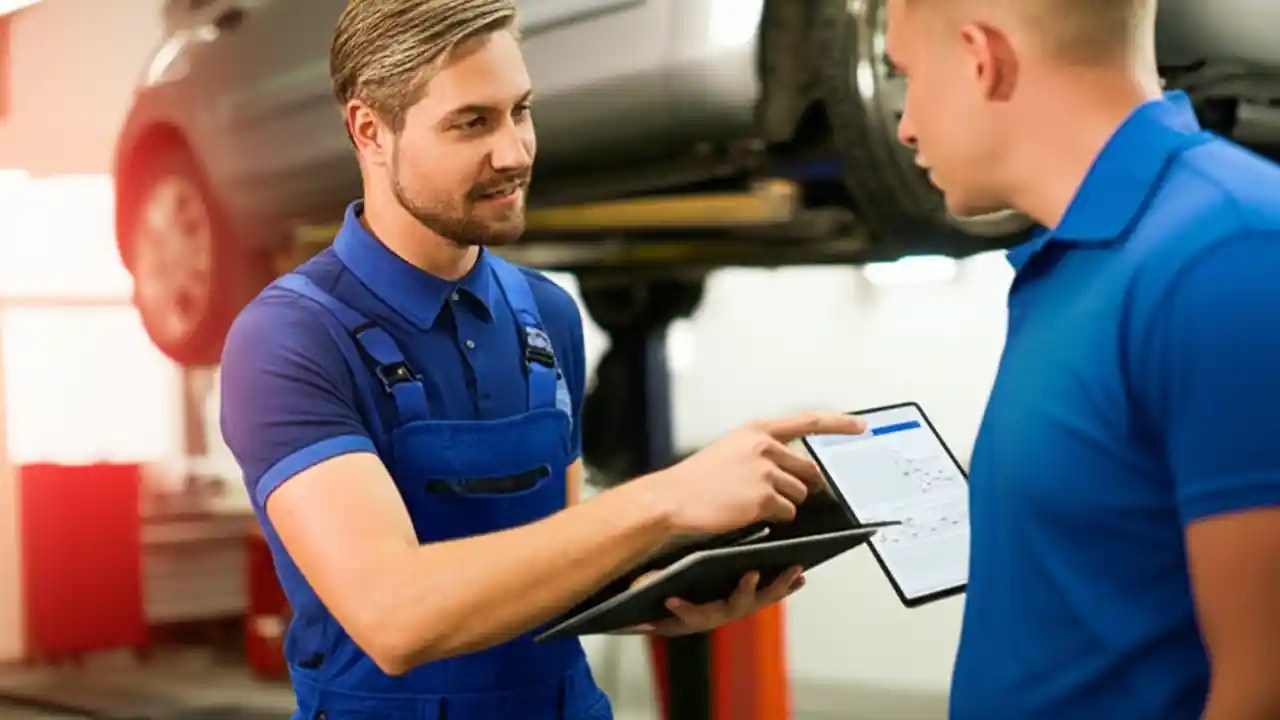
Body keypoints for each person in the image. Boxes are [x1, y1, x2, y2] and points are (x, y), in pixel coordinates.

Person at [218, 1, 866, 718]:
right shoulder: (290, 338)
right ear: (370, 130)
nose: (515, 152)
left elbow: (561, 562)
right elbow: (394, 617)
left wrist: (663, 587)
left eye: (520, 111)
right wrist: (663, 499)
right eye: (472, 122)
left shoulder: (546, 314)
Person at [883, 0, 1280, 717]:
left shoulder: (1231, 252)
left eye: (906, 75)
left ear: (981, 58)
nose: (905, 124)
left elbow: (1265, 688)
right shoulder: (1074, 264)